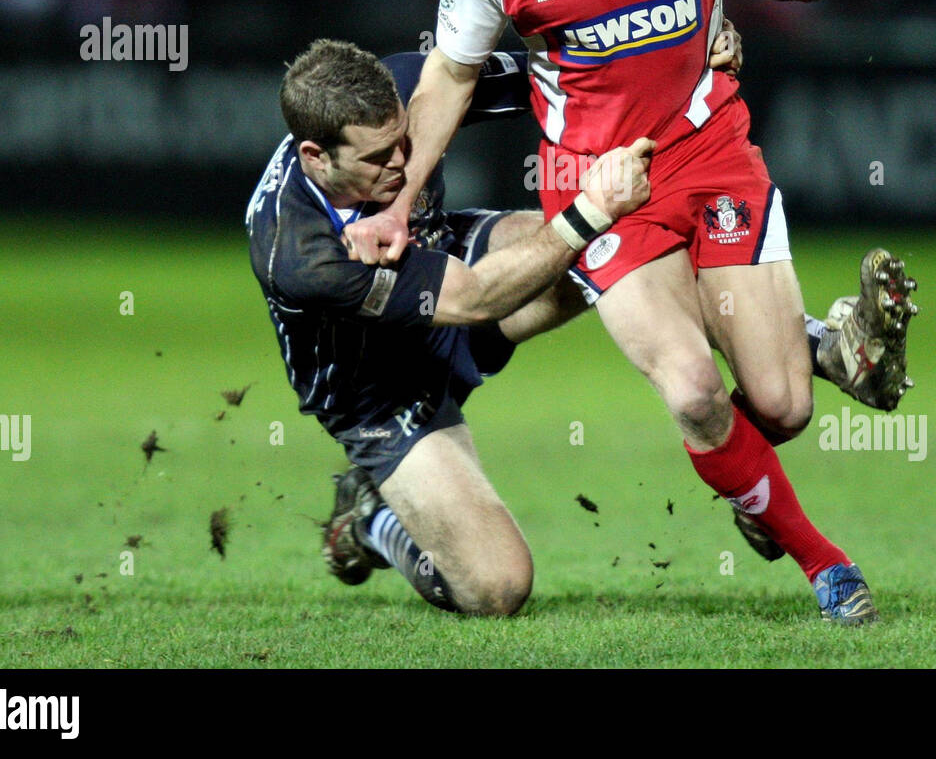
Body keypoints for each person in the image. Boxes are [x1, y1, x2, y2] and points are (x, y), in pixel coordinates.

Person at [344, 0, 918, 624]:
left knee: (783, 406)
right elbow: (446, 80)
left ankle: (781, 419)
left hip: (713, 145)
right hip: (601, 184)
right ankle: (824, 562)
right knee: (692, 386)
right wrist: (394, 203)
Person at [246, 38, 662, 615]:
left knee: (613, 248)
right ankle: (372, 519)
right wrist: (590, 211)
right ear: (316, 156)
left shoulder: (413, 84)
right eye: (377, 158)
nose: (400, 165)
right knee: (497, 590)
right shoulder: (300, 254)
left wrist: (683, 55)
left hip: (444, 257)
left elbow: (559, 72)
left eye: (404, 143)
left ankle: (805, 346)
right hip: (377, 391)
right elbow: (473, 300)